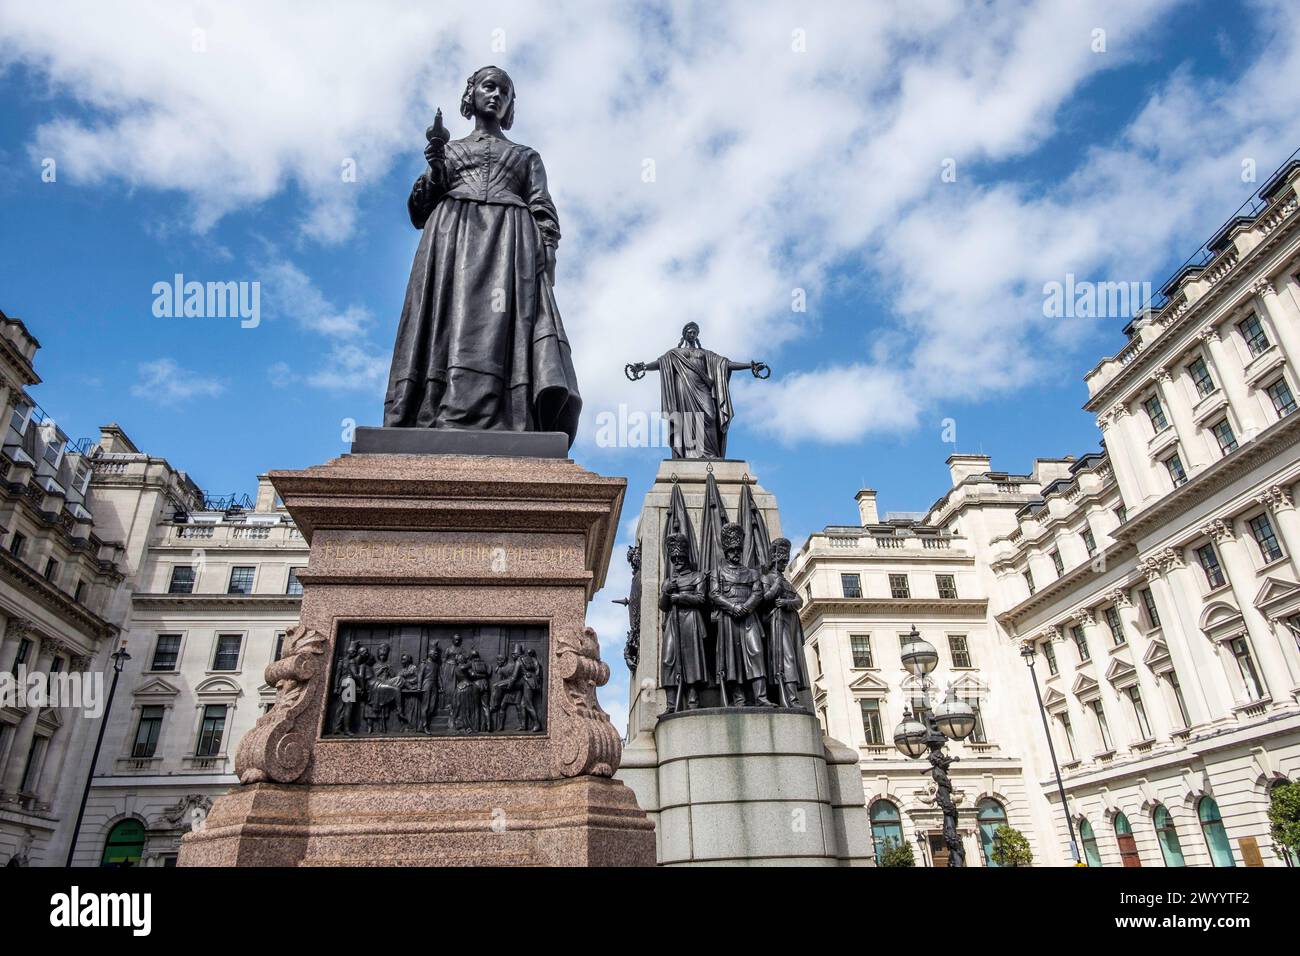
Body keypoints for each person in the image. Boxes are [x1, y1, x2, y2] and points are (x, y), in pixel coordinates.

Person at [384, 65, 581, 444]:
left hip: (510, 244)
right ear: (470, 94)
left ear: (509, 106)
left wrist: (549, 248)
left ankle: (507, 412)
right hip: (452, 239)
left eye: (504, 92)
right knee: (448, 321)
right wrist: (437, 166)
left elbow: (542, 205)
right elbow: (418, 211)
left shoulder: (526, 156)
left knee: (501, 327)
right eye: (489, 86)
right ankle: (435, 405)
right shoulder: (449, 150)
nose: (496, 95)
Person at [624, 323, 769, 459]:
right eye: (689, 332)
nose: (692, 334)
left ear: (697, 335)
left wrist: (750, 366)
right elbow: (661, 363)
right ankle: (689, 454)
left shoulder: (706, 353)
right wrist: (643, 367)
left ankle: (710, 454)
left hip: (702, 386)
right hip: (683, 386)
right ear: (684, 334)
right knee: (687, 418)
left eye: (695, 332)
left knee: (710, 416)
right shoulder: (675, 353)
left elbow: (725, 364)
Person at [710, 522, 772, 707]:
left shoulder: (752, 573)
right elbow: (714, 593)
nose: (735, 553)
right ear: (726, 552)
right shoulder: (718, 572)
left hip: (749, 618)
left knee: (756, 653)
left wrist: (745, 607)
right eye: (732, 551)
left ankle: (761, 697)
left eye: (738, 550)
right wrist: (732, 607)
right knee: (732, 658)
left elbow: (758, 592)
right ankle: (739, 698)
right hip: (728, 620)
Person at [659, 532, 708, 711]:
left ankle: (694, 699)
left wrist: (679, 597)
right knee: (668, 659)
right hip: (673, 622)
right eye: (674, 558)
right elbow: (662, 606)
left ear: (686, 556)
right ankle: (672, 703)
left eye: (680, 557)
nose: (677, 561)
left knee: (692, 659)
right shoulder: (668, 581)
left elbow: (701, 598)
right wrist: (666, 592)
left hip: (691, 620)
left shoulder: (698, 576)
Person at [760, 538, 809, 710]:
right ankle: (791, 698)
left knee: (793, 659)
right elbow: (763, 599)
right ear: (774, 560)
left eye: (785, 562)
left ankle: (792, 697)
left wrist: (786, 603)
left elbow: (799, 600)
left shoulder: (786, 581)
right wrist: (776, 587)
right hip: (776, 622)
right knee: (786, 658)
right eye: (781, 561)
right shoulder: (767, 578)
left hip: (791, 624)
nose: (783, 565)